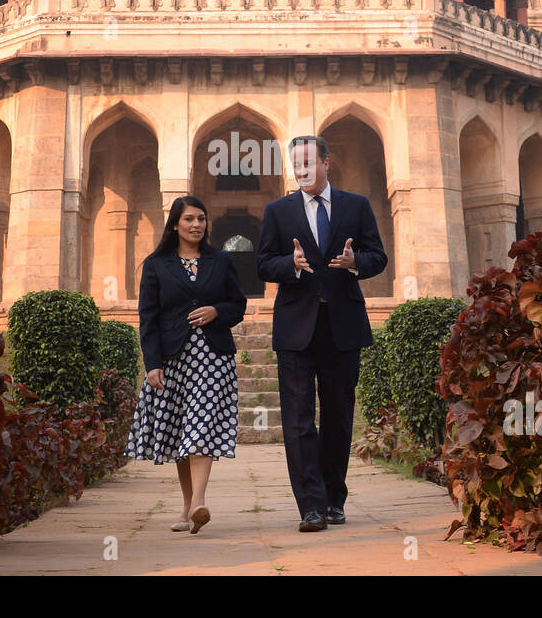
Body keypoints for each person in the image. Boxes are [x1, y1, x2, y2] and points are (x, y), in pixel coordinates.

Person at [255, 136, 387, 532]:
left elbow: (377, 256)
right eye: (296, 165)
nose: (302, 171)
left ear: (327, 162)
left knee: (339, 417)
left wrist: (354, 262)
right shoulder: (278, 211)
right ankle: (310, 507)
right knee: (298, 421)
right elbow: (263, 262)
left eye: (309, 163)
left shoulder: (356, 205)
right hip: (296, 328)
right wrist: (290, 265)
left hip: (342, 326)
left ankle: (333, 500)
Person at [125, 195, 247, 535]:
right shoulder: (156, 264)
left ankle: (198, 502)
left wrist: (217, 311)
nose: (197, 225)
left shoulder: (221, 261)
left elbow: (238, 303)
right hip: (172, 358)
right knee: (179, 428)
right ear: (175, 224)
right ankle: (187, 505)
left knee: (201, 425)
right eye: (190, 219)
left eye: (201, 219)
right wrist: (152, 364)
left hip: (212, 356)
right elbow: (147, 317)